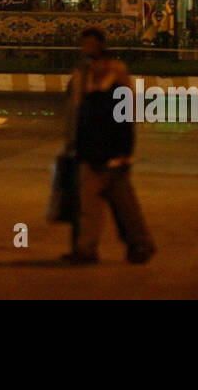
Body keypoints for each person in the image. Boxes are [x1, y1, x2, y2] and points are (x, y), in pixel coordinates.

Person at [62, 27, 155, 265]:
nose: (87, 49)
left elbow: (126, 117)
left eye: (90, 44)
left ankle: (140, 244)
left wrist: (125, 152)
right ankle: (86, 249)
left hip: (113, 152)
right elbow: (74, 113)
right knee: (88, 205)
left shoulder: (117, 74)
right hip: (88, 149)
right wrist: (72, 143)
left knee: (124, 204)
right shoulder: (82, 74)